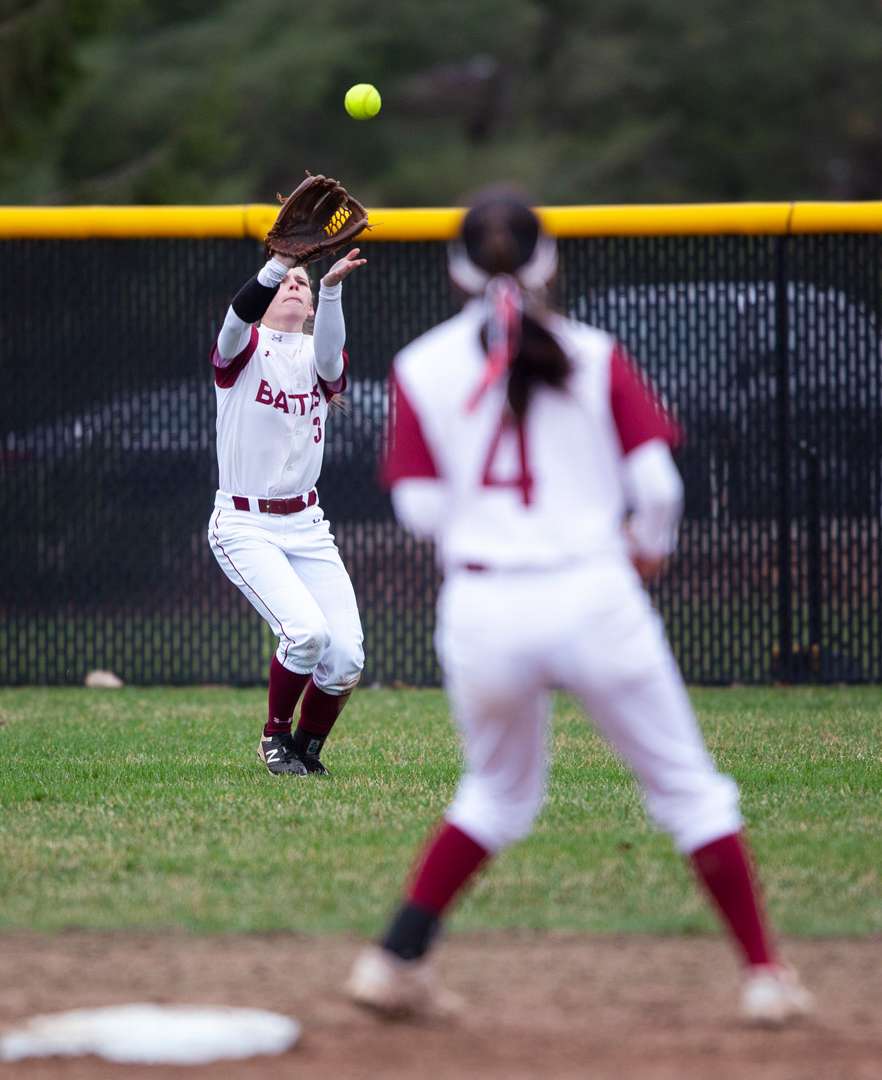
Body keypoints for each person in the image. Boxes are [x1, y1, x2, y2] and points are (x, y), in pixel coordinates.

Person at [345, 189, 813, 1024]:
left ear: (454, 269)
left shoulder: (420, 365)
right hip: (593, 593)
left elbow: (418, 510)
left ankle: (393, 963)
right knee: (689, 792)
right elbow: (659, 487)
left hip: (484, 604)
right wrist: (646, 549)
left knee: (494, 796)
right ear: (547, 261)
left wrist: (488, 529)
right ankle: (765, 976)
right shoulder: (593, 354)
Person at [207, 243, 368, 777]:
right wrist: (277, 264)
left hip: (306, 523)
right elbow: (235, 318)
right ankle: (273, 737)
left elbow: (328, 356)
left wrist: (331, 287)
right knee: (305, 633)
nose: (294, 284)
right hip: (244, 522)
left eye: (302, 281)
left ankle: (307, 746)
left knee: (345, 658)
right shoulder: (243, 347)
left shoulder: (319, 358)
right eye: (285, 282)